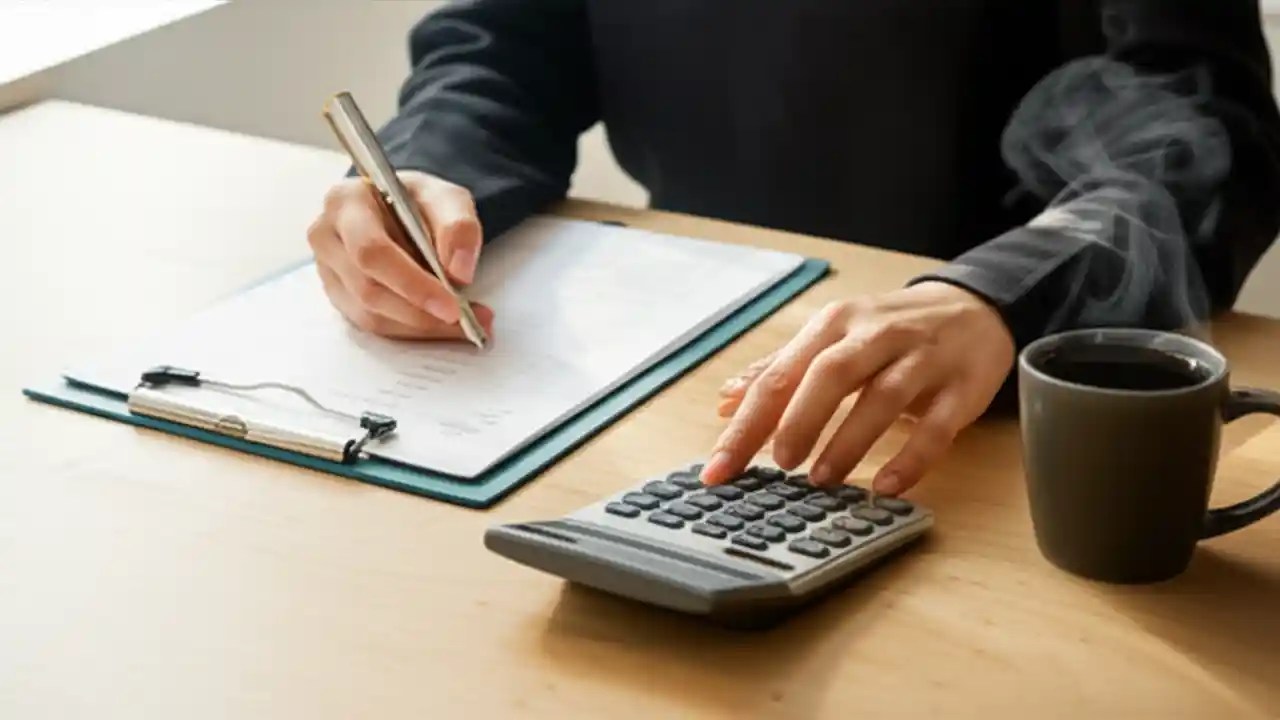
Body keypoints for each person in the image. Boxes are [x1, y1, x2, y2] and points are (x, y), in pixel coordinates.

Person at [305, 1, 1280, 496]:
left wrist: (1003, 291)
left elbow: (1209, 129)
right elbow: (506, 49)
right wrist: (422, 176)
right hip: (670, 376)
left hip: (997, 422)